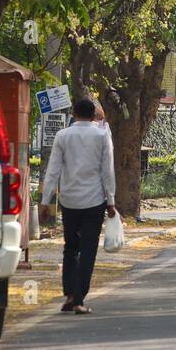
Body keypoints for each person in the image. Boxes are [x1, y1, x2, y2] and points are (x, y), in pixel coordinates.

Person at [39, 98, 116, 315]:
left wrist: (46, 201)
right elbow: (107, 172)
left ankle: (70, 295)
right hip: (94, 201)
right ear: (94, 116)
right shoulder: (102, 136)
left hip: (69, 200)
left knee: (70, 247)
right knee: (88, 249)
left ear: (73, 113)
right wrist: (111, 201)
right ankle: (79, 298)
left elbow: (53, 170)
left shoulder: (63, 136)